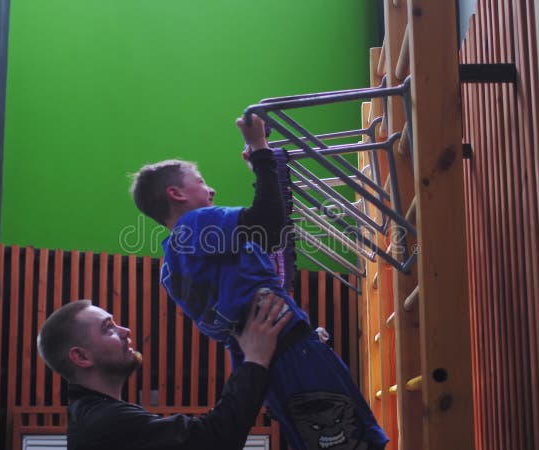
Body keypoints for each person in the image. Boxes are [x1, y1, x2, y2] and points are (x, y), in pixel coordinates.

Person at [130, 114, 388, 450]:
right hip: (290, 355)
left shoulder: (175, 265)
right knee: (350, 441)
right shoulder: (195, 225)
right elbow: (268, 224)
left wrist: (264, 171)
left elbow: (265, 251)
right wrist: (259, 147)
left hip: (272, 362)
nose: (211, 189)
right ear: (176, 194)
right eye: (201, 181)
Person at [37, 291, 291, 450]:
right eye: (109, 328)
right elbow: (215, 438)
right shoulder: (104, 423)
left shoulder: (95, 415)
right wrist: (256, 358)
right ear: (81, 356)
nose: (125, 331)